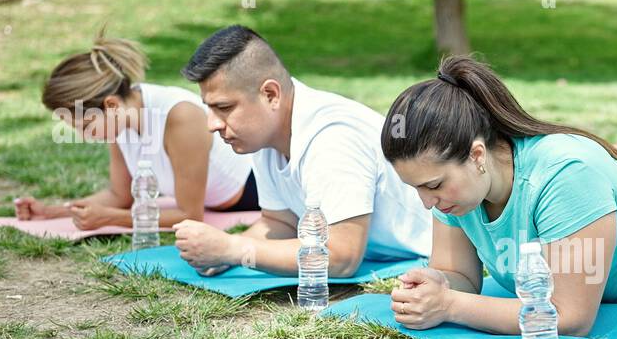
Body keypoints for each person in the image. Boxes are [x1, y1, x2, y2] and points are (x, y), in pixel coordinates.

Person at [381, 55, 617, 336]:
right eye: (416, 188)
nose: (426, 202)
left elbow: (570, 317)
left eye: (432, 185)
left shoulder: (565, 175)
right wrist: (438, 285)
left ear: (477, 155)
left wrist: (449, 305)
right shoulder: (458, 188)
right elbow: (458, 273)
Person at [172, 25, 432, 276]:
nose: (212, 124)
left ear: (271, 94)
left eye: (225, 108)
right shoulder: (266, 134)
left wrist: (234, 249)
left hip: (436, 256)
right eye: (209, 108)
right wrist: (218, 252)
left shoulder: (332, 137)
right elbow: (281, 223)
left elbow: (342, 257)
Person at [26, 33, 257, 229]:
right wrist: (53, 212)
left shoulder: (180, 117)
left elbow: (190, 215)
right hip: (216, 202)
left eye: (86, 126)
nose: (84, 136)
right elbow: (120, 196)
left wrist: (109, 218)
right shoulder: (118, 123)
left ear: (111, 105)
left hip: (252, 196)